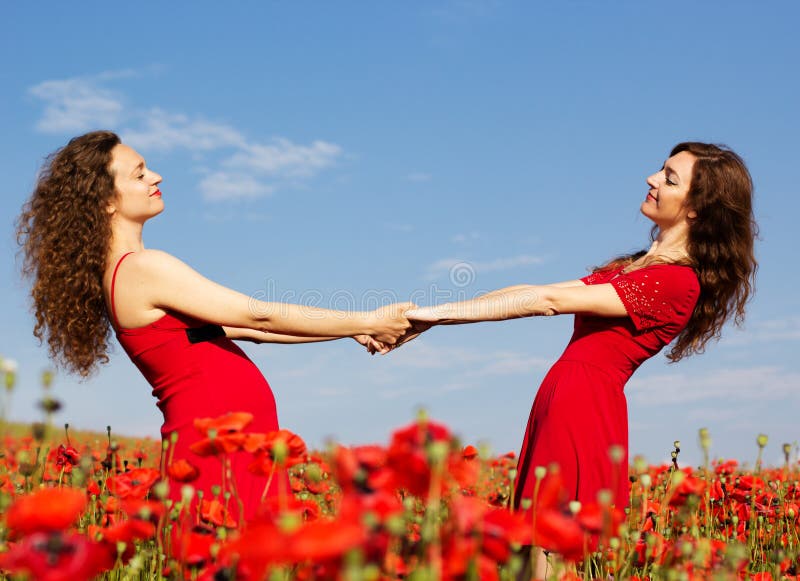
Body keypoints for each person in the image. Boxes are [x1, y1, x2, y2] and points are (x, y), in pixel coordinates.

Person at [17, 130, 411, 523]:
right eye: (139, 175)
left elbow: (255, 331)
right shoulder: (142, 268)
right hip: (215, 448)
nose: (156, 177)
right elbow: (258, 314)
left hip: (227, 444)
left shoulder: (125, 273)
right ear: (105, 201)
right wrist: (369, 318)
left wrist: (353, 329)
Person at [404, 141, 757, 522]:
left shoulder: (675, 282)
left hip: (583, 407)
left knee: (549, 542)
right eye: (661, 170)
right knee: (532, 545)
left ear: (695, 209)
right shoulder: (633, 267)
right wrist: (429, 315)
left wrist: (434, 316)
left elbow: (548, 301)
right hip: (561, 396)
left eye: (669, 179)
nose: (651, 179)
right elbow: (533, 291)